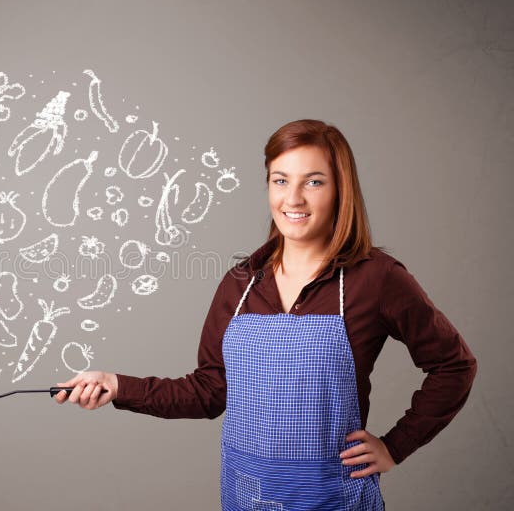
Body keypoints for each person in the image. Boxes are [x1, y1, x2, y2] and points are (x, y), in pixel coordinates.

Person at [53, 119, 478, 510]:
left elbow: (454, 365)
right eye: (281, 180)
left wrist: (395, 446)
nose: (293, 198)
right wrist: (117, 385)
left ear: (340, 189)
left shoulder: (376, 279)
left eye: (314, 181)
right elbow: (209, 391)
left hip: (333, 498)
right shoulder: (241, 283)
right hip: (245, 495)